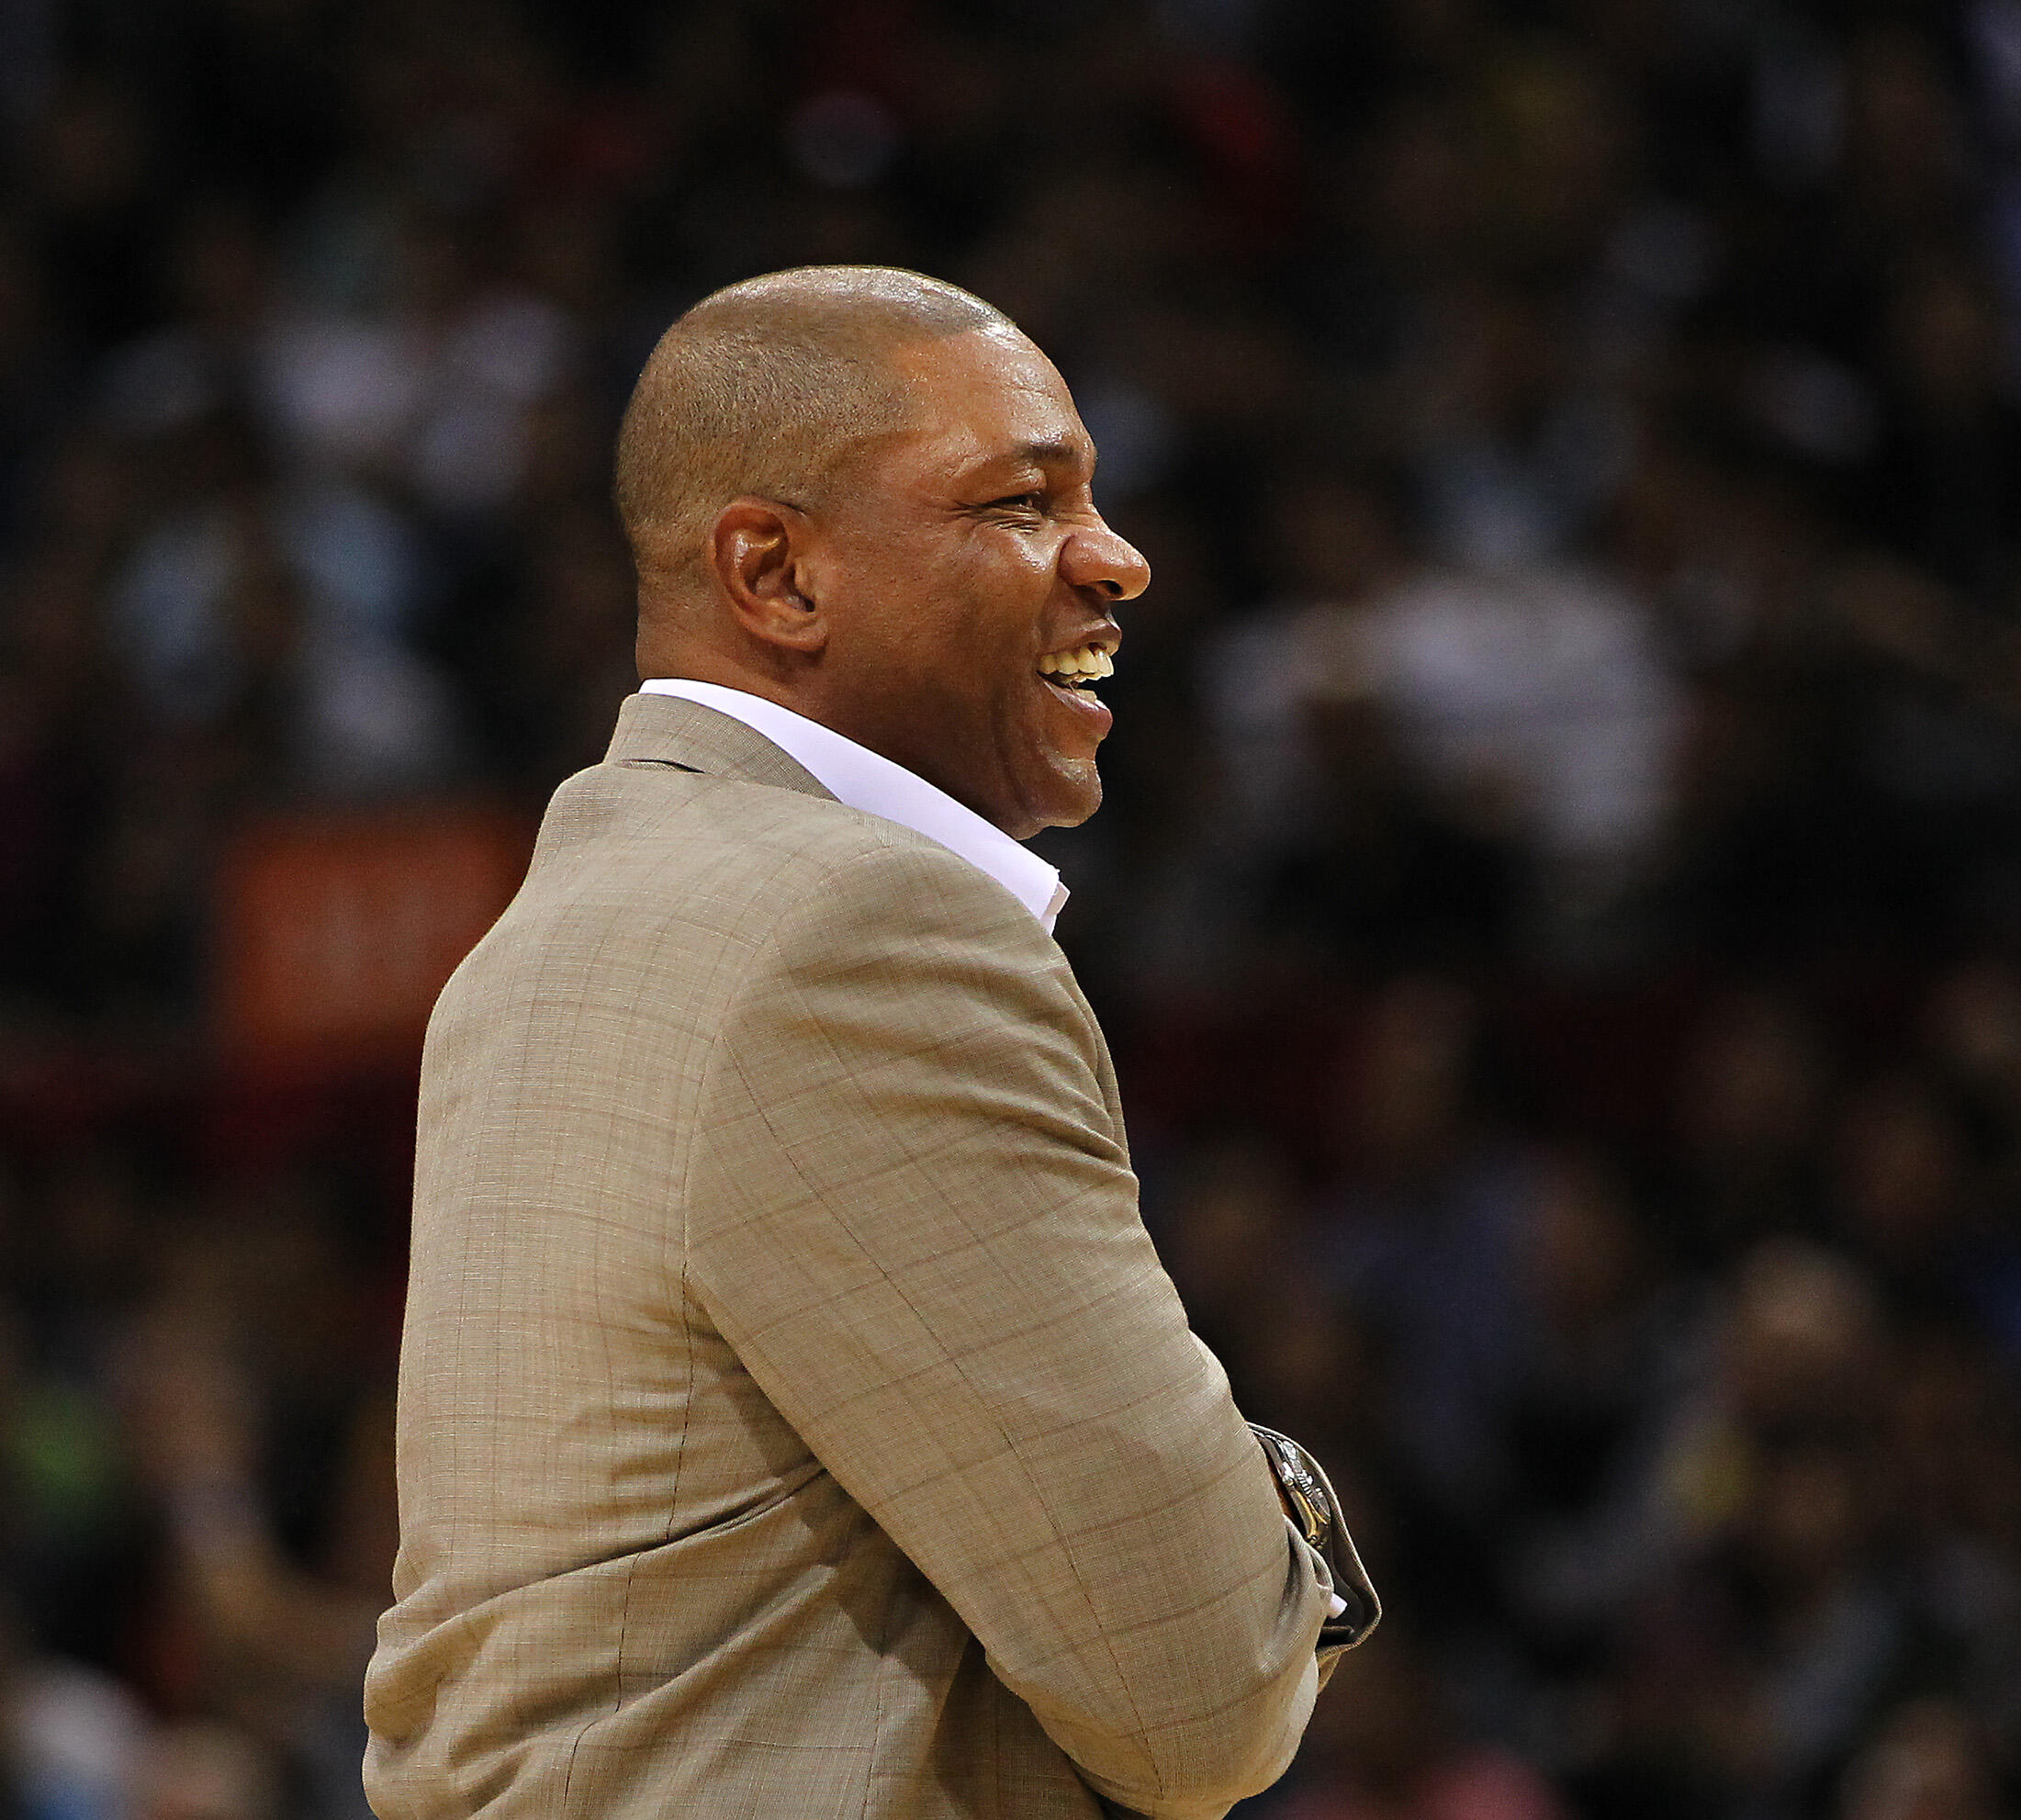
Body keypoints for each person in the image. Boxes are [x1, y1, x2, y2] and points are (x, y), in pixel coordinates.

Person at [363, 266, 1375, 1818]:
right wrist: (1267, 1496)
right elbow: (1203, 1686)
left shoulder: (547, 932)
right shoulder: (860, 930)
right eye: (1021, 501)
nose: (1118, 558)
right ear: (775, 575)